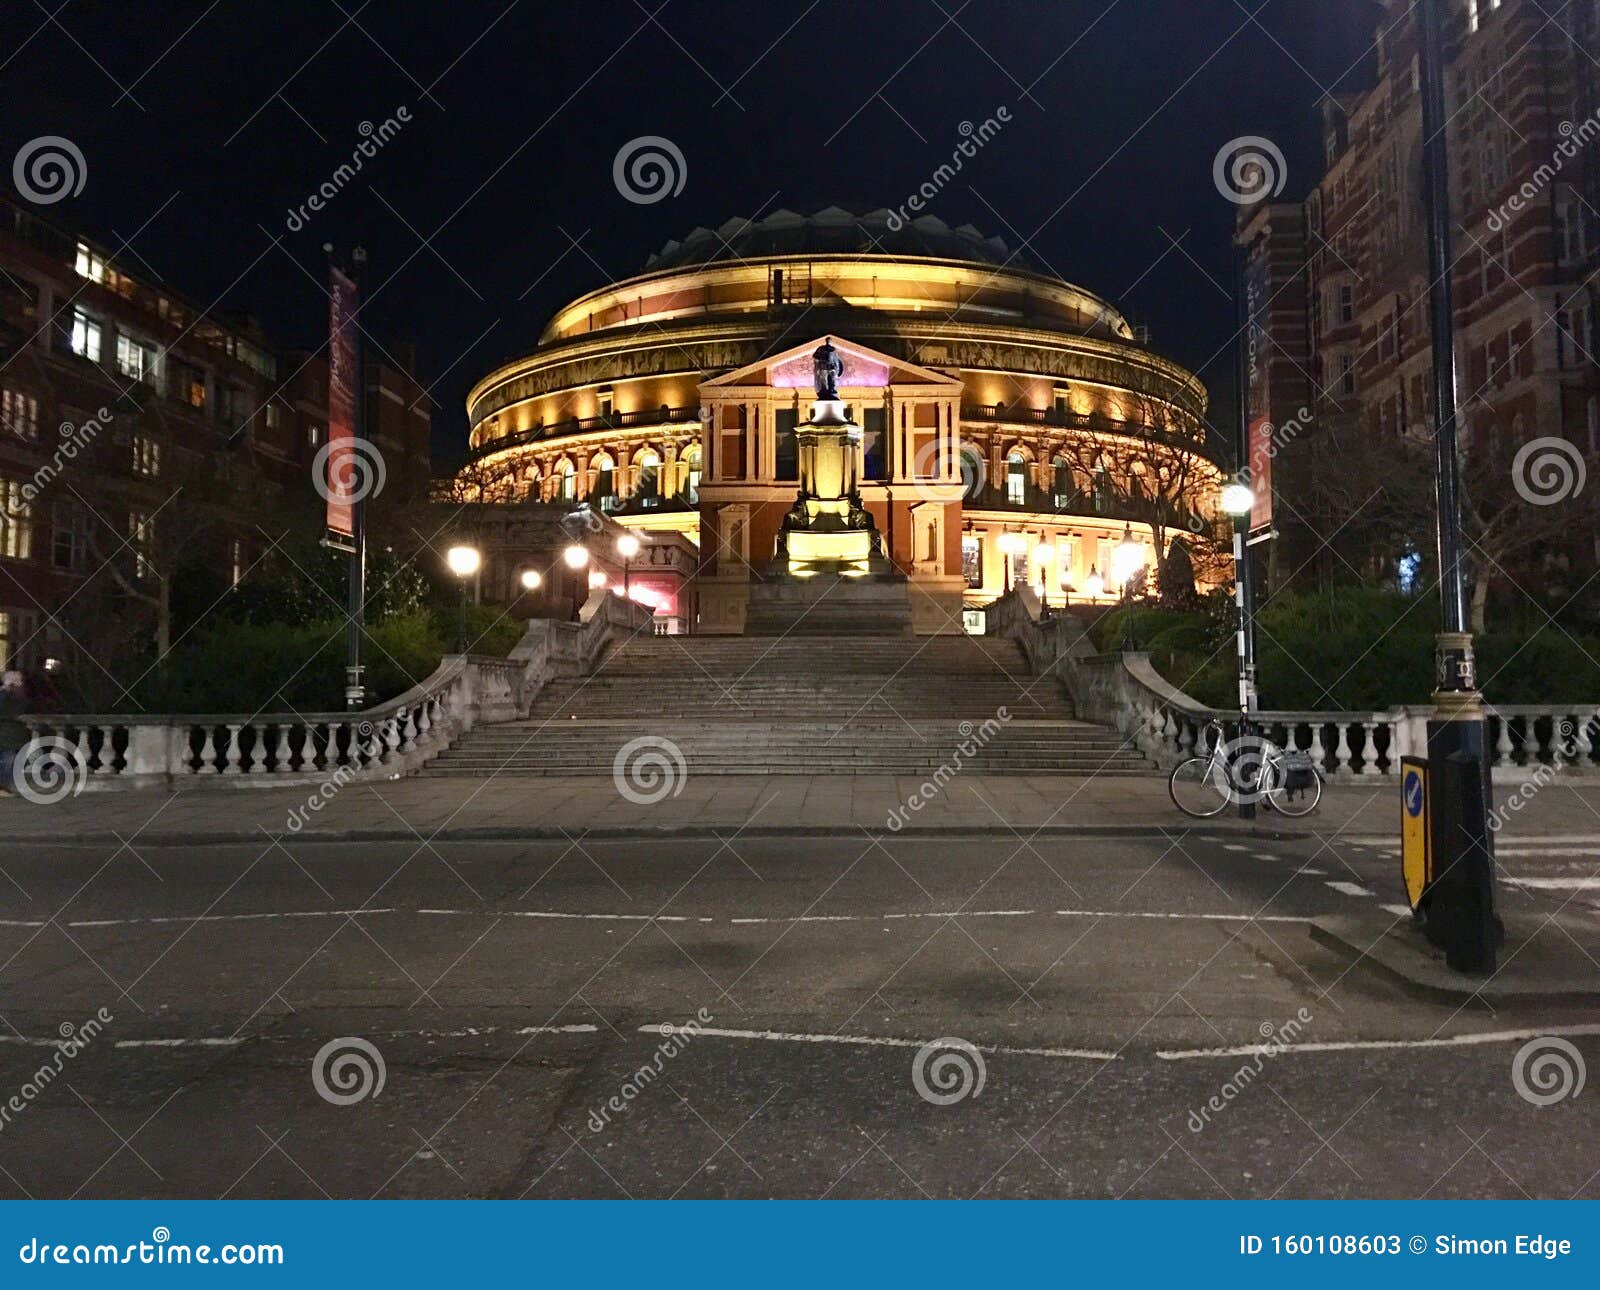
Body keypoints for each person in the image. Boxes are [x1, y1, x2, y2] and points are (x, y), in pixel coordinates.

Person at [0, 670, 27, 796]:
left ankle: (5, 787)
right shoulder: (5, 695)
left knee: (9, 759)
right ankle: (3, 788)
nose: (21, 683)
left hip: (11, 733)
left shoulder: (13, 695)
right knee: (8, 759)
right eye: (19, 680)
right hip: (6, 733)